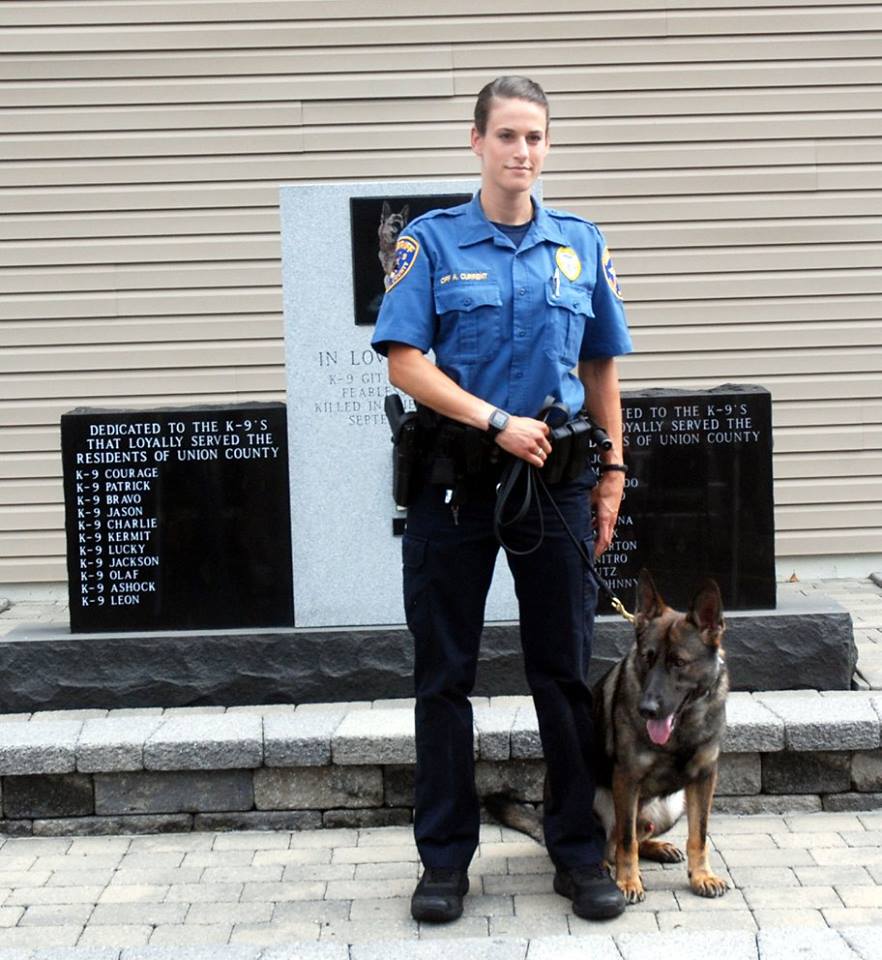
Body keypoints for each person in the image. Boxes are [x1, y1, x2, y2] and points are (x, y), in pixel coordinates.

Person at [371, 76, 633, 923]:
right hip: (456, 488)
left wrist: (615, 474)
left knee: (563, 675)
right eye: (509, 135)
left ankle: (579, 851)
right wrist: (494, 421)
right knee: (443, 675)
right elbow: (405, 361)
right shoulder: (432, 244)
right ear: (476, 142)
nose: (524, 151)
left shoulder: (580, 246)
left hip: (554, 488)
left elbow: (600, 368)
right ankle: (444, 860)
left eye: (537, 137)